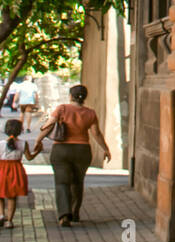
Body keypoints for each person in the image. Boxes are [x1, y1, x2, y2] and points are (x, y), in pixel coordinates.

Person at [33, 84, 110, 227]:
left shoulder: (62, 109)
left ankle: (64, 215)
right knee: (77, 182)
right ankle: (75, 212)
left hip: (61, 150)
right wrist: (105, 149)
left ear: (70, 96)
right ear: (84, 97)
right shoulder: (90, 113)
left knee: (62, 182)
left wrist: (38, 140)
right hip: (82, 151)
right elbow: (96, 133)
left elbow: (50, 125)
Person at [0, 119, 40, 227]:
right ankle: (9, 221)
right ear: (20, 131)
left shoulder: (1, 144)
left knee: (0, 194)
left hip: (2, 170)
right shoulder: (23, 143)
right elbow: (29, 158)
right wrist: (37, 151)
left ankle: (1, 215)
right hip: (16, 171)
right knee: (12, 196)